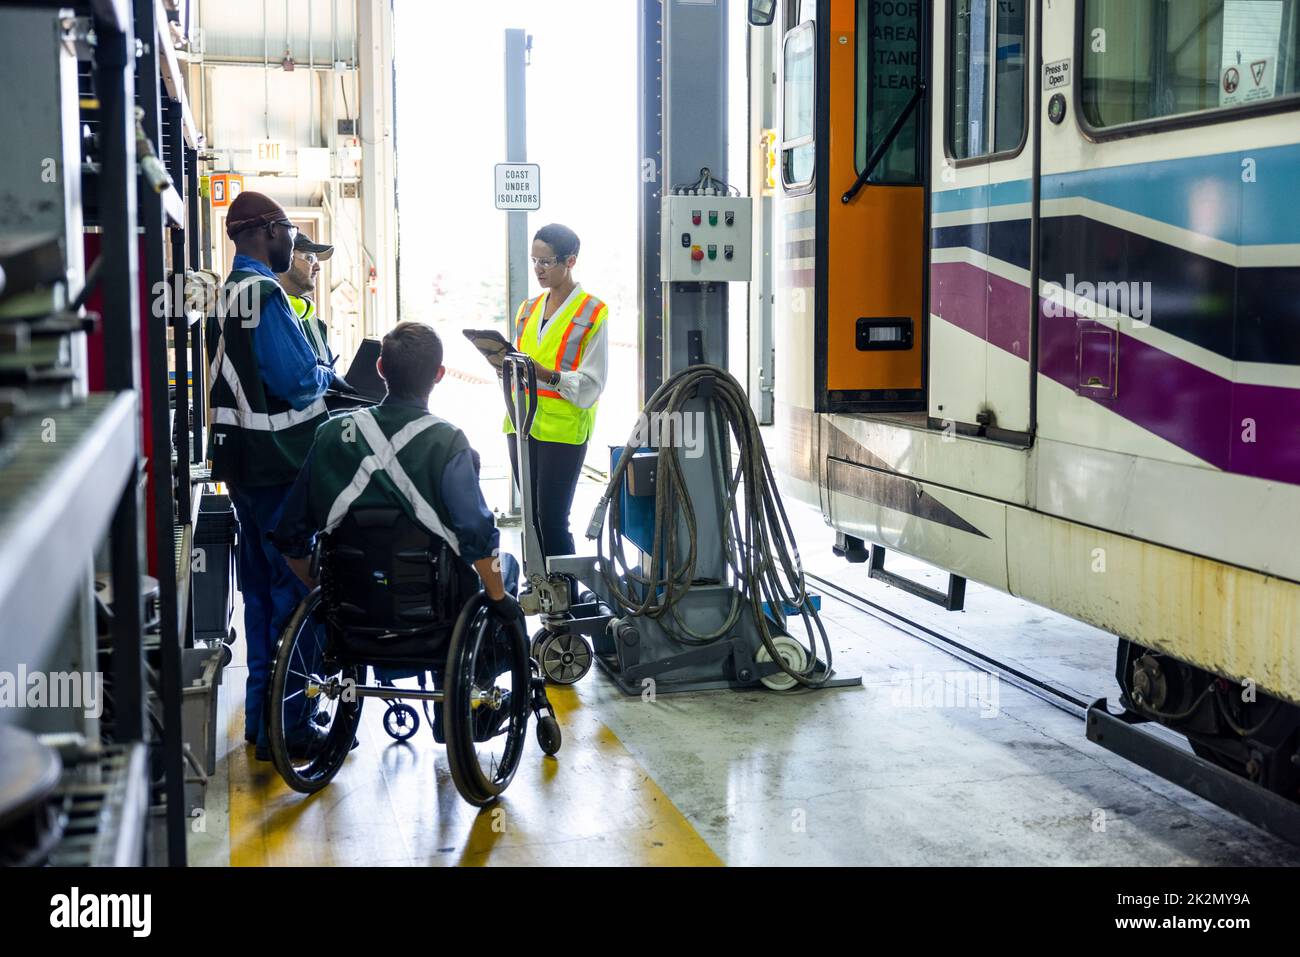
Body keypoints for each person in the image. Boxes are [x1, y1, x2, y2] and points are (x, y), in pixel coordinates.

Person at [271, 322, 523, 712]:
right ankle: (469, 704)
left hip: (351, 616)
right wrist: (499, 598)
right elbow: (476, 535)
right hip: (435, 619)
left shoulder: (331, 434)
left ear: (380, 370)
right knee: (503, 568)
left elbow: (290, 535)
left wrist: (323, 587)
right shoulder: (449, 441)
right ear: (439, 375)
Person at [206, 191, 339, 759]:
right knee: (297, 594)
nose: (293, 241)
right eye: (288, 229)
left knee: (260, 594)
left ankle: (262, 723)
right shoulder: (264, 293)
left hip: (244, 469)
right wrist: (325, 367)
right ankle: (293, 728)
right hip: (282, 466)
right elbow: (300, 382)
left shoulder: (228, 291)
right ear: (265, 231)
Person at [502, 223, 609, 563]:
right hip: (520, 423)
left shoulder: (593, 312)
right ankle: (540, 590)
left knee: (552, 520)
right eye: (535, 260)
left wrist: (548, 376)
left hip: (563, 429)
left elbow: (592, 384)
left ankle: (566, 598)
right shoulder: (528, 309)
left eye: (547, 262)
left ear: (570, 261)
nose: (538, 269)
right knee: (531, 519)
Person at [276, 230, 335, 364]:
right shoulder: (265, 315)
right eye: (310, 258)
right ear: (286, 259)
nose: (317, 267)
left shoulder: (314, 323)